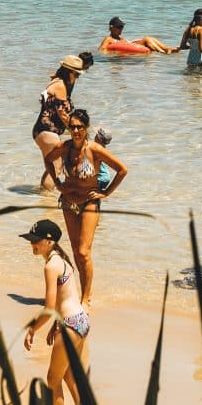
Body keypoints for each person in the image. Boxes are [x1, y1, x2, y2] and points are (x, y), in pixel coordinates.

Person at [21, 218, 90, 405]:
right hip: (80, 321)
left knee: (53, 380)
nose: (32, 244)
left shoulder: (50, 265)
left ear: (49, 242)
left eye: (35, 241)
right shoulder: (62, 260)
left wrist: (32, 329)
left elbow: (50, 306)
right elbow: (66, 298)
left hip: (70, 324)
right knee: (72, 380)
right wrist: (54, 325)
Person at [53, 108, 126, 304]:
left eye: (80, 127)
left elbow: (122, 170)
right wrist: (57, 182)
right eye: (72, 127)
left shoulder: (95, 150)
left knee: (84, 252)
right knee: (76, 250)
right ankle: (82, 291)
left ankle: (85, 299)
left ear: (87, 128)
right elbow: (47, 159)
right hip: (68, 202)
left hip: (89, 202)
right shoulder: (65, 147)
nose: (75, 130)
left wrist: (106, 192)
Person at [32, 55, 84, 187]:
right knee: (56, 166)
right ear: (69, 72)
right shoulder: (60, 86)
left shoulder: (57, 81)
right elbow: (63, 114)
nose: (78, 77)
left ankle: (44, 195)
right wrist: (76, 131)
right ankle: (47, 197)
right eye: (77, 74)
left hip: (43, 130)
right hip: (47, 131)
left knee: (52, 166)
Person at [99, 16, 173, 55]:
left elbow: (128, 44)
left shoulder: (120, 38)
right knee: (147, 40)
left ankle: (167, 49)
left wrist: (137, 41)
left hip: (130, 50)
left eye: (122, 27)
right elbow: (102, 50)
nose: (121, 29)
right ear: (111, 28)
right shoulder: (108, 39)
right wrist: (115, 52)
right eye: (119, 27)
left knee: (148, 38)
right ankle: (163, 52)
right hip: (122, 56)